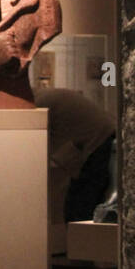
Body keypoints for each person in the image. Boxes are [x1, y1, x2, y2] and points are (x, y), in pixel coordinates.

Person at [33, 87, 116, 237]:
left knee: (79, 209)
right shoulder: (46, 97)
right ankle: (85, 253)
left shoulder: (39, 103)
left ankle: (84, 254)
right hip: (102, 140)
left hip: (99, 144)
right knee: (82, 205)